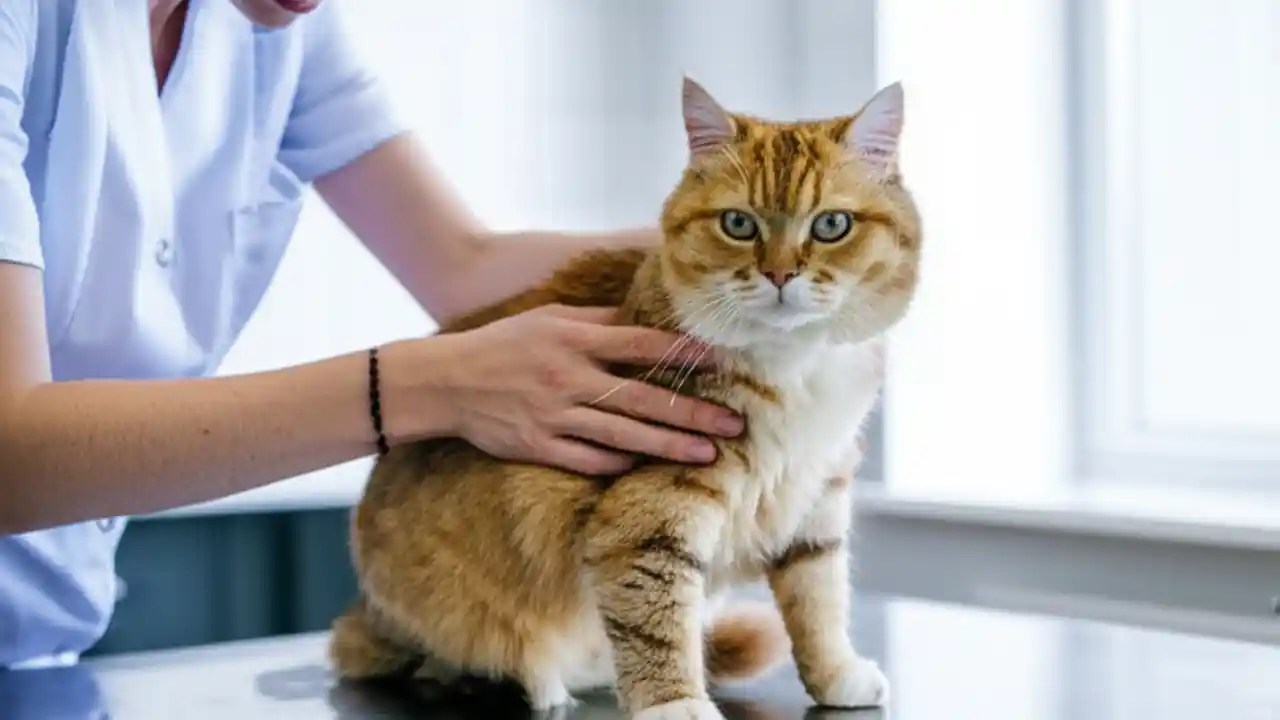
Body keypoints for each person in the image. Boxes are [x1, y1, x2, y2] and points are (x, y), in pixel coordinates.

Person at [0, 0, 745, 669]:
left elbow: (464, 265)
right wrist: (421, 389)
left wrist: (784, 254)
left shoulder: (273, 29)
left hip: (43, 646)